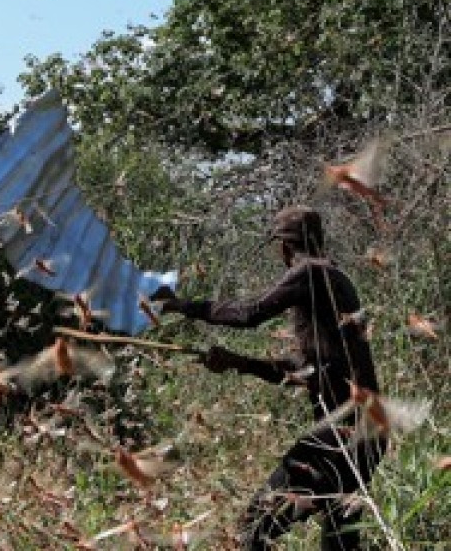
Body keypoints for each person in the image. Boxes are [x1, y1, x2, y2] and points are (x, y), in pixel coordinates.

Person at [157, 206, 385, 550]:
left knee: (254, 529)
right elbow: (309, 371)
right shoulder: (336, 280)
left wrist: (183, 306)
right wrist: (238, 362)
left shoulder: (308, 273)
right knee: (339, 544)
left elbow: (248, 314)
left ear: (283, 246)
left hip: (340, 436)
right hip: (366, 435)